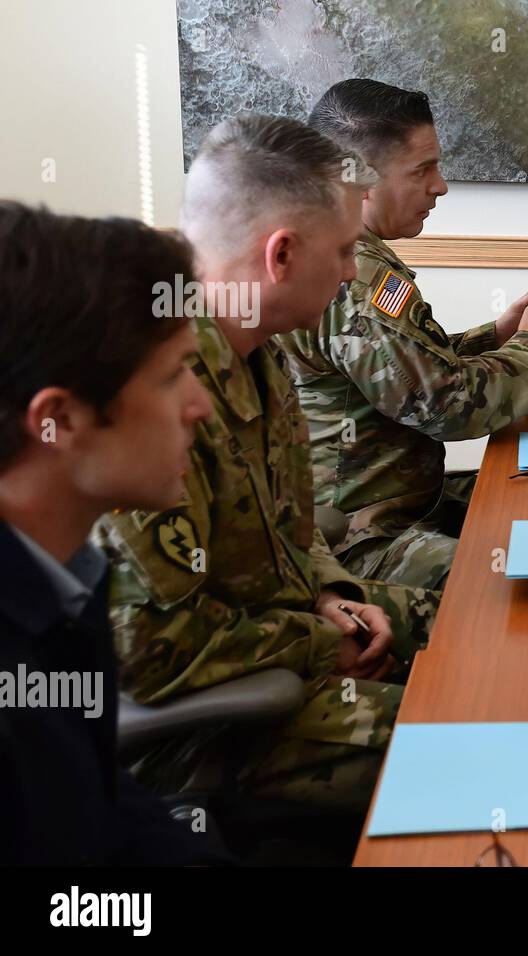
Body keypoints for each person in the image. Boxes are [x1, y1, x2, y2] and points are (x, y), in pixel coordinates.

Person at [94, 114, 435, 814]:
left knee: (471, 632)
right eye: (343, 253)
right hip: (203, 727)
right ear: (280, 256)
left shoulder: (262, 352)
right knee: (456, 743)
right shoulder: (153, 399)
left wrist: (328, 593)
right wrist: (315, 643)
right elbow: (149, 648)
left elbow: (294, 523)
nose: (351, 273)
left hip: (278, 642)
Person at [280, 78, 528, 592]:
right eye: (422, 170)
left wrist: (498, 336)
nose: (441, 186)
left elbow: (407, 367)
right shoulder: (357, 275)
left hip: (410, 504)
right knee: (516, 582)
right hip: (360, 538)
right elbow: (446, 406)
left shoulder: (341, 250)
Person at [0, 202, 222, 864]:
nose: (201, 406)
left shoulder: (58, 582)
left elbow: (99, 803)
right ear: (60, 420)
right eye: (171, 375)